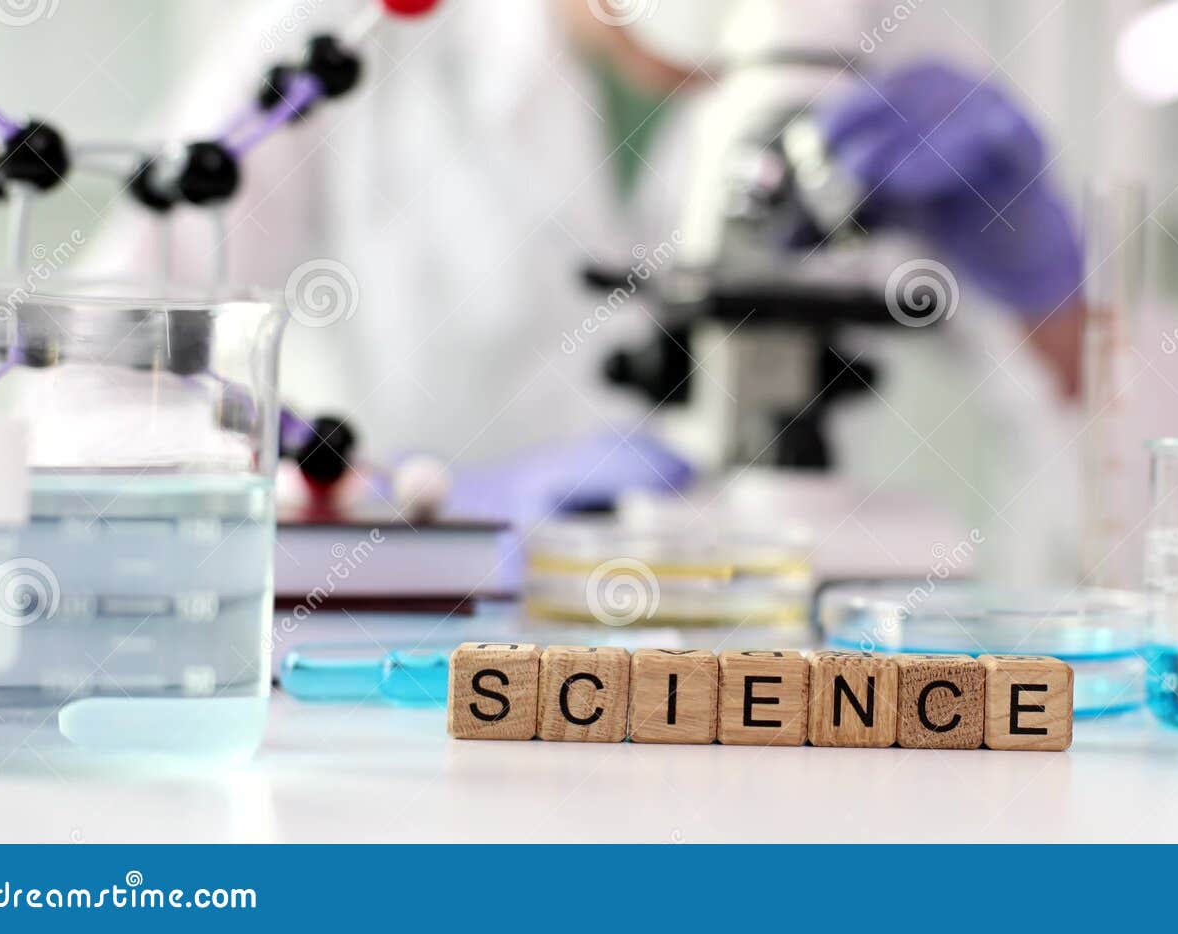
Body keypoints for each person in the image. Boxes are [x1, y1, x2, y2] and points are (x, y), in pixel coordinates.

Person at [90, 0, 1087, 581]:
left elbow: (1148, 489)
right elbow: (96, 365)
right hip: (417, 684)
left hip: (772, 670)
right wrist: (384, 513)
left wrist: (1049, 287)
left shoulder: (898, 53)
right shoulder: (352, 29)